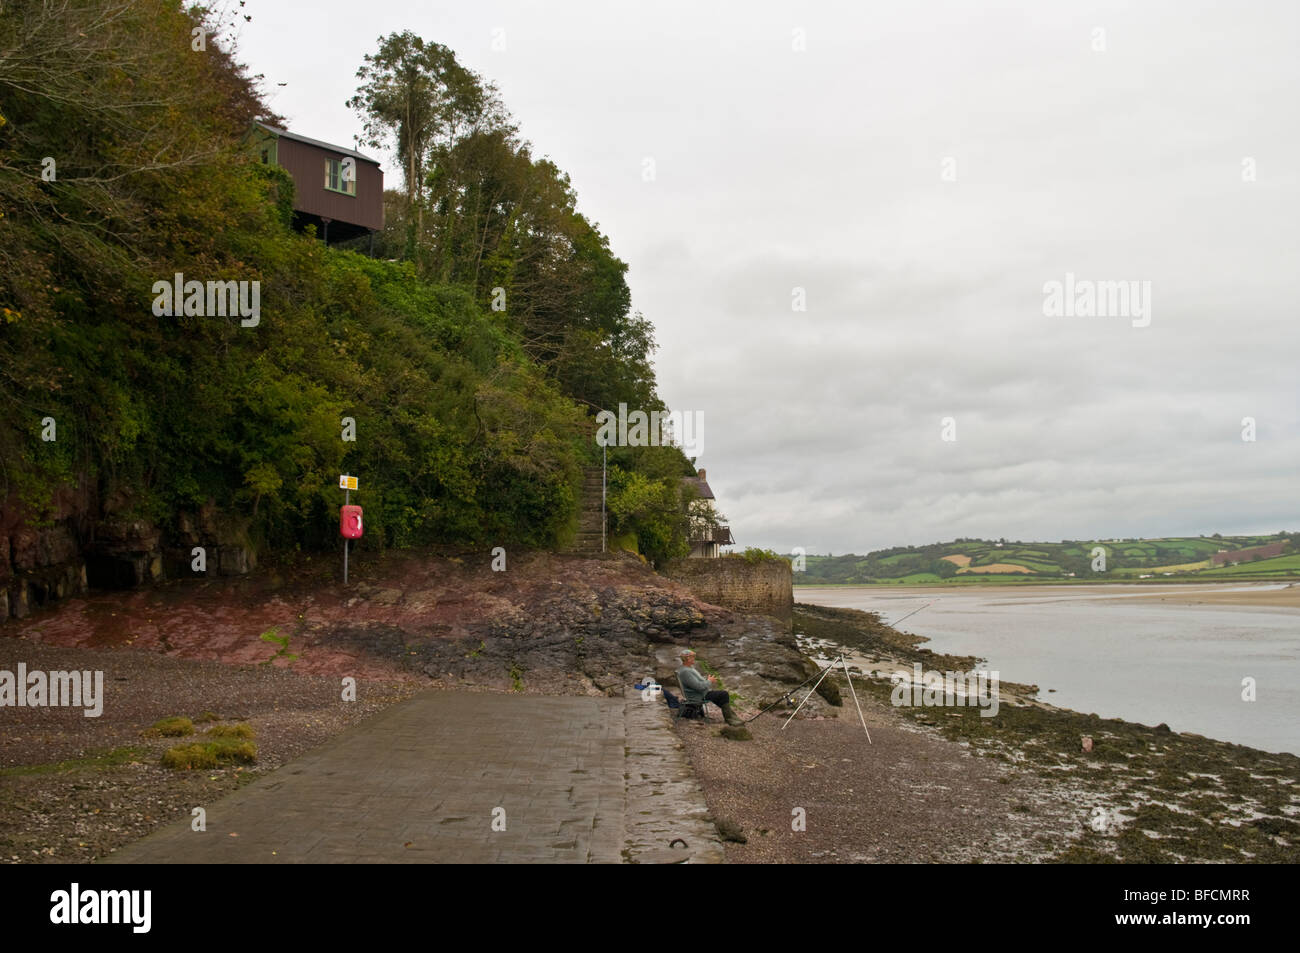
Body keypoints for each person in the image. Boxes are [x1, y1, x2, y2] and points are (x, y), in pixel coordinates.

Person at [675, 649, 742, 726]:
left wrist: (707, 680)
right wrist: (709, 681)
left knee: (719, 696)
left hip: (698, 693)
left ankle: (732, 718)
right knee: (724, 694)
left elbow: (696, 683)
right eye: (692, 657)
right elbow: (699, 687)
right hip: (698, 696)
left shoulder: (686, 668)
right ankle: (731, 719)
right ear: (687, 659)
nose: (694, 658)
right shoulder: (686, 672)